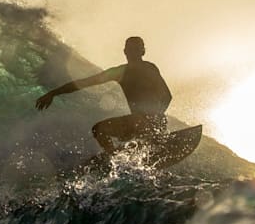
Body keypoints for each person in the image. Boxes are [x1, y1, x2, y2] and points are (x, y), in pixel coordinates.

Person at [35, 36, 173, 153]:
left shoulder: (149, 68)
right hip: (138, 123)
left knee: (108, 129)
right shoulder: (120, 72)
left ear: (143, 51)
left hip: (154, 122)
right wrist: (53, 93)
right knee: (99, 130)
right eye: (131, 48)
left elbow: (167, 96)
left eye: (137, 48)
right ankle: (115, 157)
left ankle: (140, 146)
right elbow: (84, 83)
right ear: (125, 51)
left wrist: (155, 117)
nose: (134, 51)